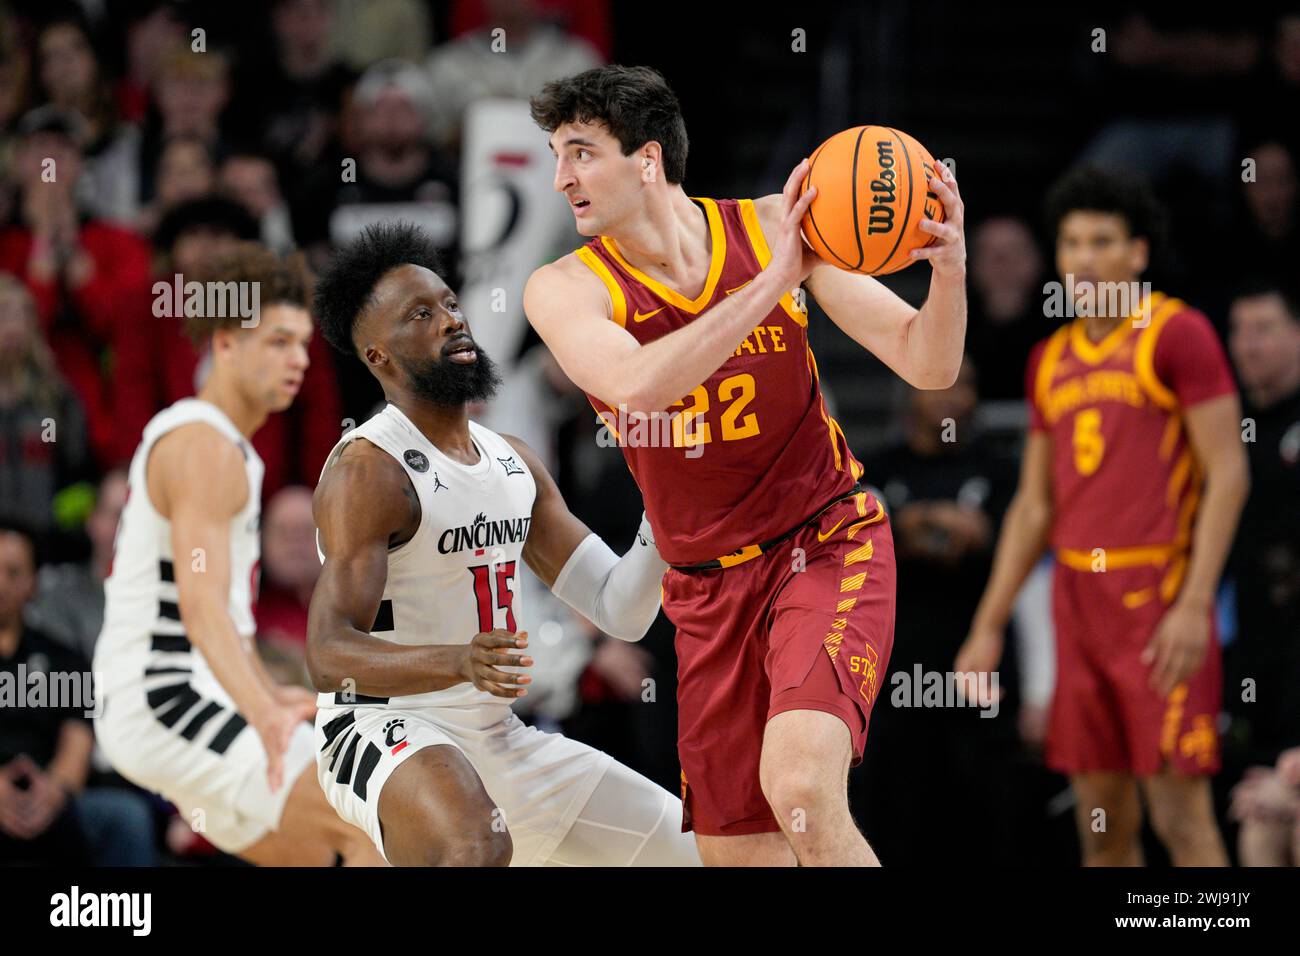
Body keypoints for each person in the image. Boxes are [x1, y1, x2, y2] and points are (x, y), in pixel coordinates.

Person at [524, 65, 967, 866]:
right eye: (558, 155)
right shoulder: (562, 290)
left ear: (648, 159)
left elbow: (926, 364)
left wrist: (949, 270)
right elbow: (635, 388)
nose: (562, 179)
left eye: (581, 153)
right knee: (744, 858)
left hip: (825, 542)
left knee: (800, 791)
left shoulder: (771, 227)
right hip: (703, 589)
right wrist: (774, 284)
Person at [307, 221, 700, 867]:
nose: (451, 321)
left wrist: (662, 516)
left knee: (692, 855)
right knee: (473, 845)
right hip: (383, 726)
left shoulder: (510, 460)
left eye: (452, 304)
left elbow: (619, 610)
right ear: (379, 357)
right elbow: (327, 655)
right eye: (420, 314)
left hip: (494, 730)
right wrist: (459, 660)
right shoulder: (369, 470)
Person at [956, 167, 1249, 866]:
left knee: (1180, 814)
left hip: (1160, 601)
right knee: (1101, 821)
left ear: (1136, 254)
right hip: (1078, 607)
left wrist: (1195, 602)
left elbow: (1229, 473)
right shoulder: (1050, 359)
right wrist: (989, 623)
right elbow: (1033, 505)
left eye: (1102, 241)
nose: (1084, 258)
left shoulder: (1178, 335)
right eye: (1072, 242)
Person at [92, 242, 381, 866]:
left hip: (176, 698)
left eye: (303, 343)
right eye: (278, 341)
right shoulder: (205, 446)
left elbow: (224, 614)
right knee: (365, 830)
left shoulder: (229, 448)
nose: (298, 360)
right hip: (165, 698)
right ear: (225, 343)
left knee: (325, 853)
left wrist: (270, 697)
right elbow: (201, 611)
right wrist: (264, 714)